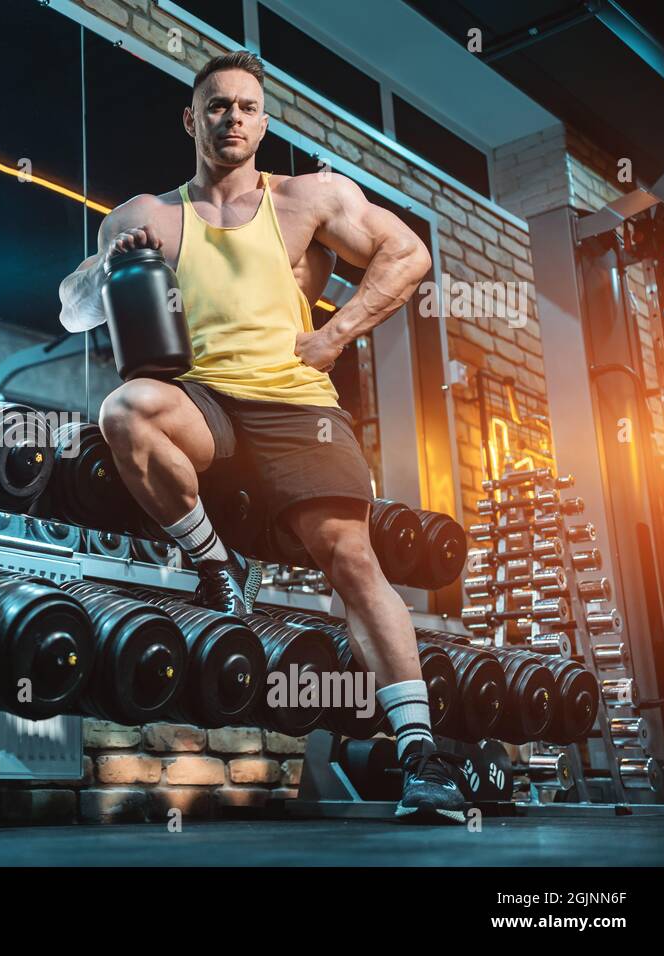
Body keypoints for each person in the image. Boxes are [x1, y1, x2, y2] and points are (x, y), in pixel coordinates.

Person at [57, 50, 465, 823]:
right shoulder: (153, 215)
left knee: (351, 558)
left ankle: (419, 753)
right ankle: (217, 562)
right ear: (192, 119)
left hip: (296, 409)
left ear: (264, 121)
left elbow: (407, 253)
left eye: (246, 107)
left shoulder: (306, 199)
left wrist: (337, 334)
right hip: (206, 405)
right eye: (216, 106)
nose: (232, 119)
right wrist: (105, 267)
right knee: (125, 410)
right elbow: (72, 309)